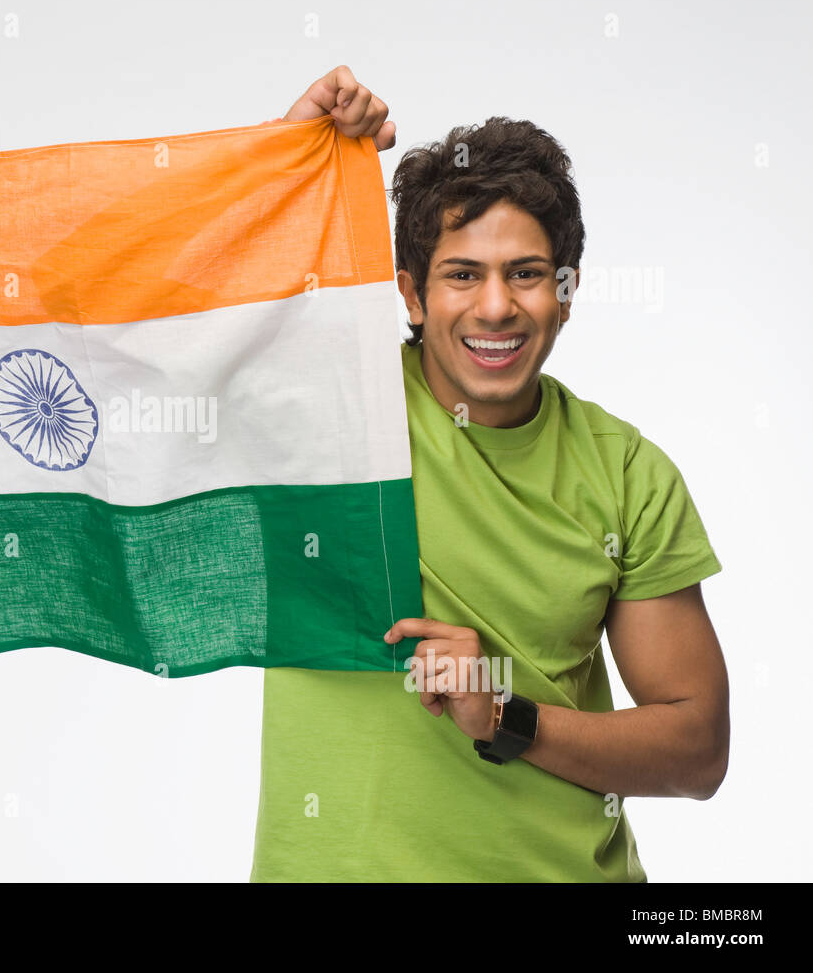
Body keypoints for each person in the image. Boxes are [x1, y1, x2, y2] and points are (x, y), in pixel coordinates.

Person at [250, 66, 728, 881]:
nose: (497, 306)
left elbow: (695, 750)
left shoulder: (626, 474)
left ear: (565, 292)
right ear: (410, 293)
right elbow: (198, 318)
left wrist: (504, 714)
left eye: (528, 273)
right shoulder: (328, 410)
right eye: (463, 274)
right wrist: (289, 160)